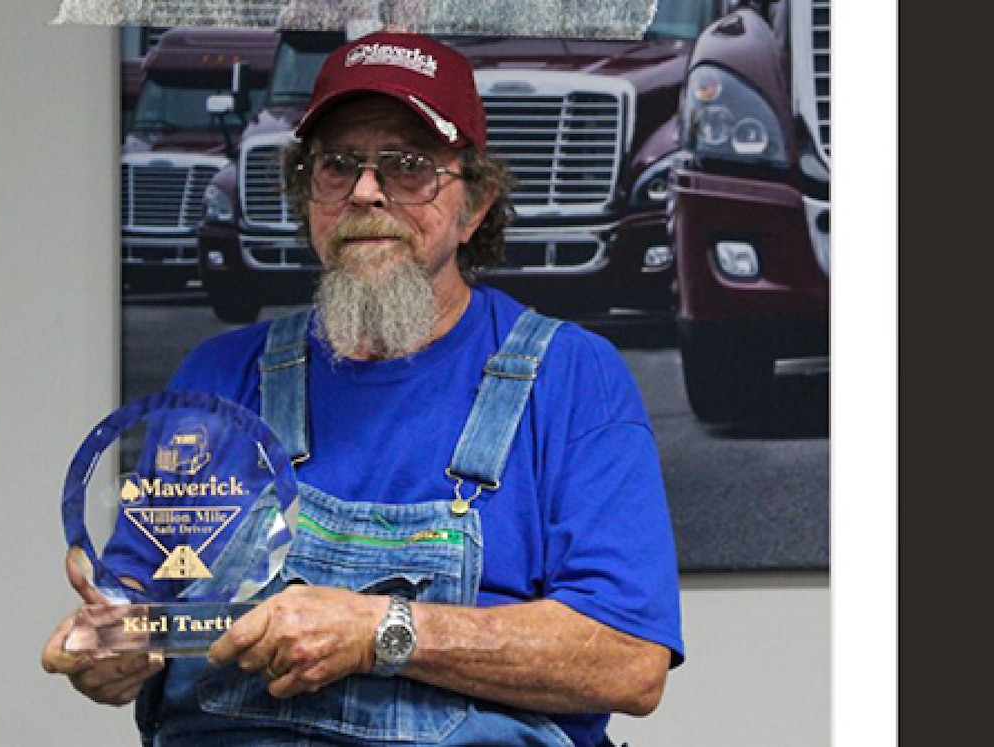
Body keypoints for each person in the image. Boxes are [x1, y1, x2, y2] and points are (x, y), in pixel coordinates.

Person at [43, 30, 684, 747]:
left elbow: (630, 663)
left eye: (409, 167)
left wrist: (382, 630)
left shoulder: (572, 380)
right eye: (337, 165)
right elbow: (137, 601)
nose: (366, 191)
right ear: (306, 194)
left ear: (475, 204)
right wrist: (112, 644)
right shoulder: (217, 381)